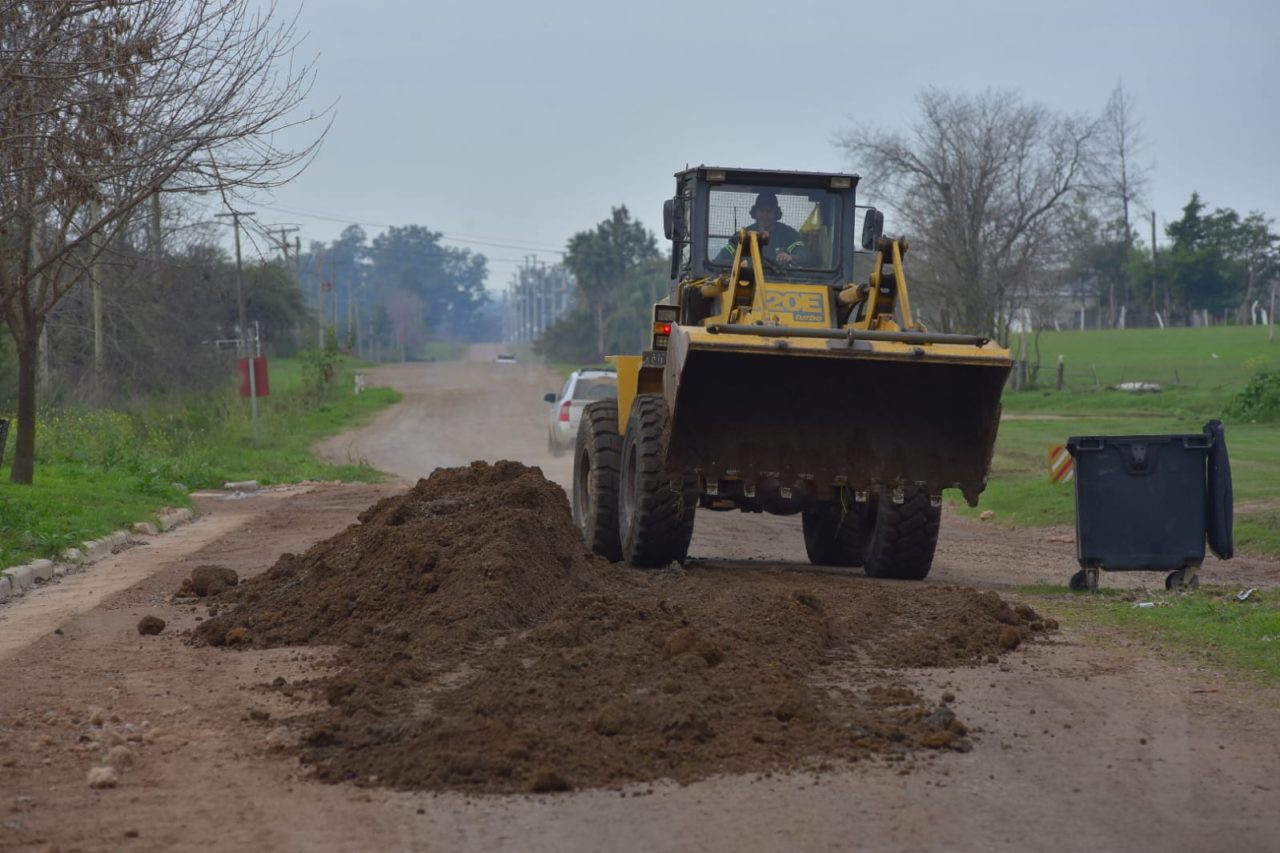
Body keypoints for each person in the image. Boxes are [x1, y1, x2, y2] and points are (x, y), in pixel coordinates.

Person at [716, 190, 806, 266]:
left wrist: (791, 257)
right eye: (761, 211)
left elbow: (803, 253)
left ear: (776, 213)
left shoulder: (788, 233)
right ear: (755, 212)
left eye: (769, 211)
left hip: (781, 279)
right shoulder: (743, 235)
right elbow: (721, 258)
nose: (765, 216)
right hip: (750, 279)